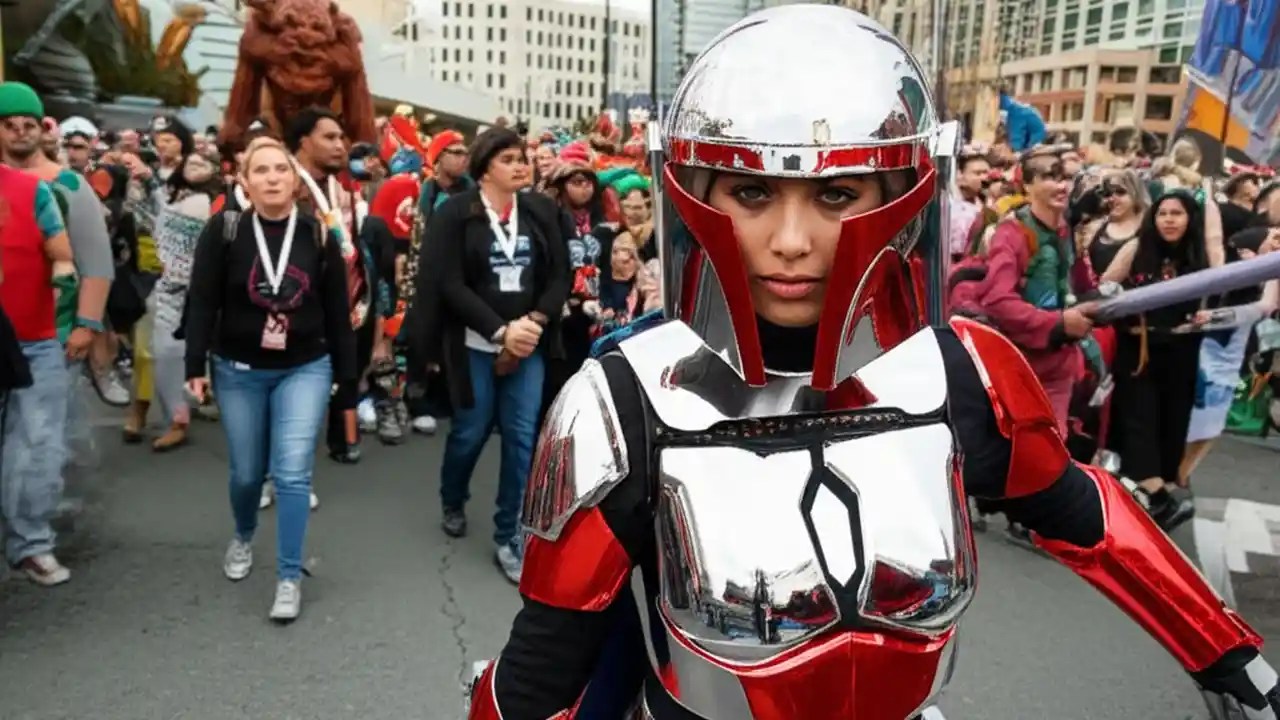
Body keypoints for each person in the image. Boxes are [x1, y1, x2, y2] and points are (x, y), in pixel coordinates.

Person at [466, 7, 1280, 720]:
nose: (792, 242)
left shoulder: (964, 371)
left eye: (836, 195)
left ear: (902, 191)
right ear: (694, 195)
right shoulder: (625, 400)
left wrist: (1231, 655)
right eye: (751, 195)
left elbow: (1085, 516)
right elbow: (543, 670)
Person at [183, 137, 357, 622]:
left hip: (305, 366)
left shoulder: (318, 234)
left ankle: (287, 576)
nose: (273, 177)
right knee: (245, 473)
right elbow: (201, 302)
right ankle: (242, 535)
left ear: (295, 178)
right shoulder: (225, 230)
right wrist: (194, 366)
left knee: (292, 472)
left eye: (282, 168)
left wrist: (347, 381)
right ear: (245, 181)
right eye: (261, 170)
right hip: (238, 370)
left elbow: (338, 315)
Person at [406, 127, 570, 583]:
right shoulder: (455, 213)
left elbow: (561, 274)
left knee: (521, 439)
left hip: (529, 341)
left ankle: (509, 536)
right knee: (470, 432)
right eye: (509, 159)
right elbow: (448, 283)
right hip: (475, 344)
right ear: (485, 167)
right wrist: (500, 331)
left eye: (524, 157)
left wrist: (534, 321)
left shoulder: (540, 210)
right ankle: (452, 497)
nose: (522, 165)